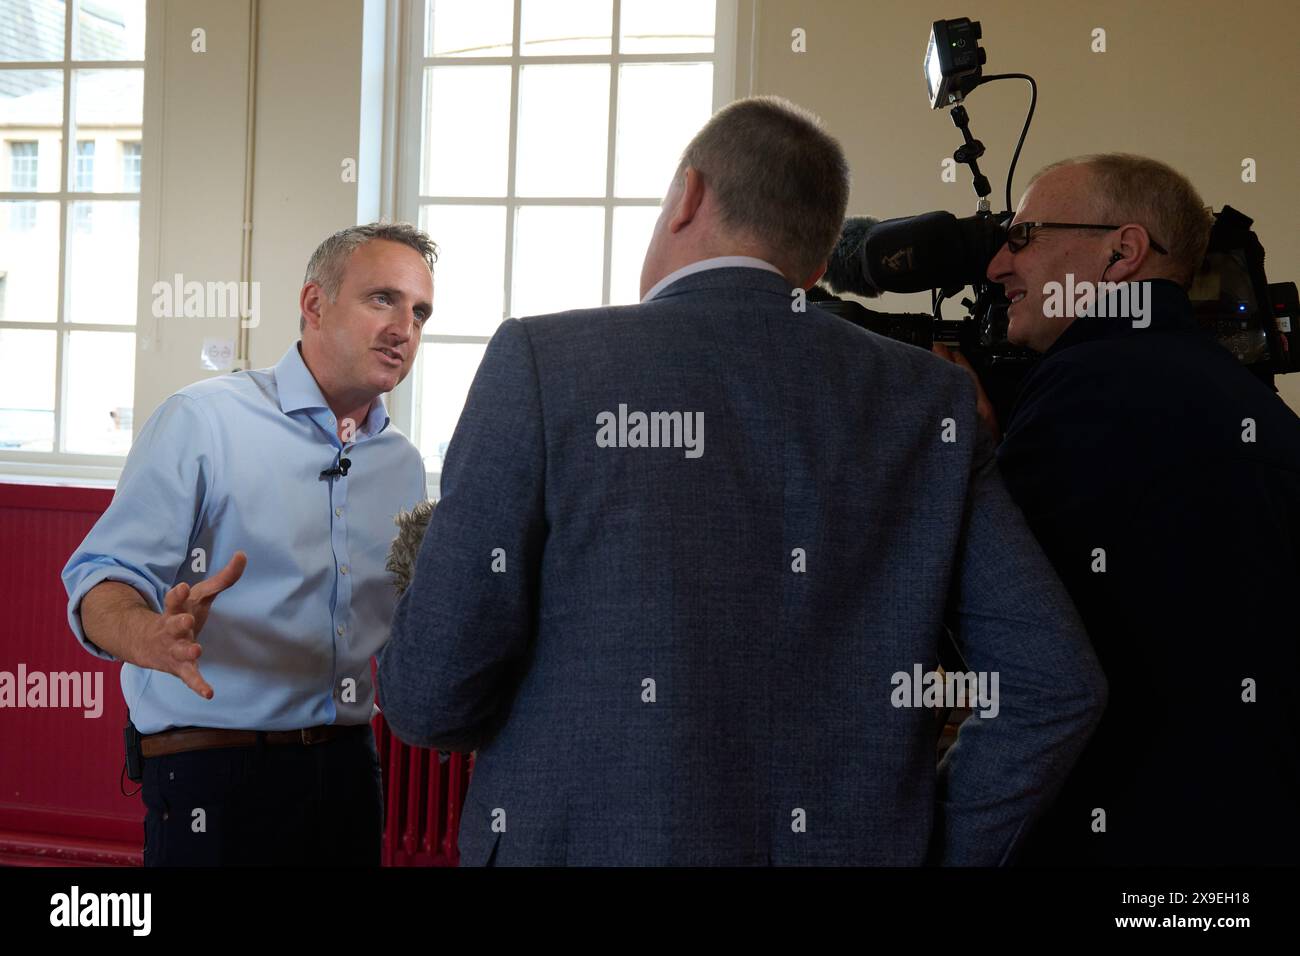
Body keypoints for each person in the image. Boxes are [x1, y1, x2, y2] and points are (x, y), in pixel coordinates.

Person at [378, 96, 1106, 866]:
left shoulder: (543, 365)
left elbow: (430, 698)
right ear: (820, 260)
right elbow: (1054, 687)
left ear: (687, 195)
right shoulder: (930, 402)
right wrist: (931, 847)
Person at [948, 152, 1300, 864]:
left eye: (1024, 238)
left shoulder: (1085, 390)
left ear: (1122, 253)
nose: (996, 268)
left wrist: (968, 464)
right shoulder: (1253, 401)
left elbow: (1007, 644)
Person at [61, 222, 435, 865]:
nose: (406, 328)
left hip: (347, 771)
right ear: (314, 303)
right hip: (212, 769)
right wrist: (149, 636)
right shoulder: (202, 420)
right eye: (382, 299)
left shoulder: (402, 465)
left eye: (420, 311)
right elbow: (101, 575)